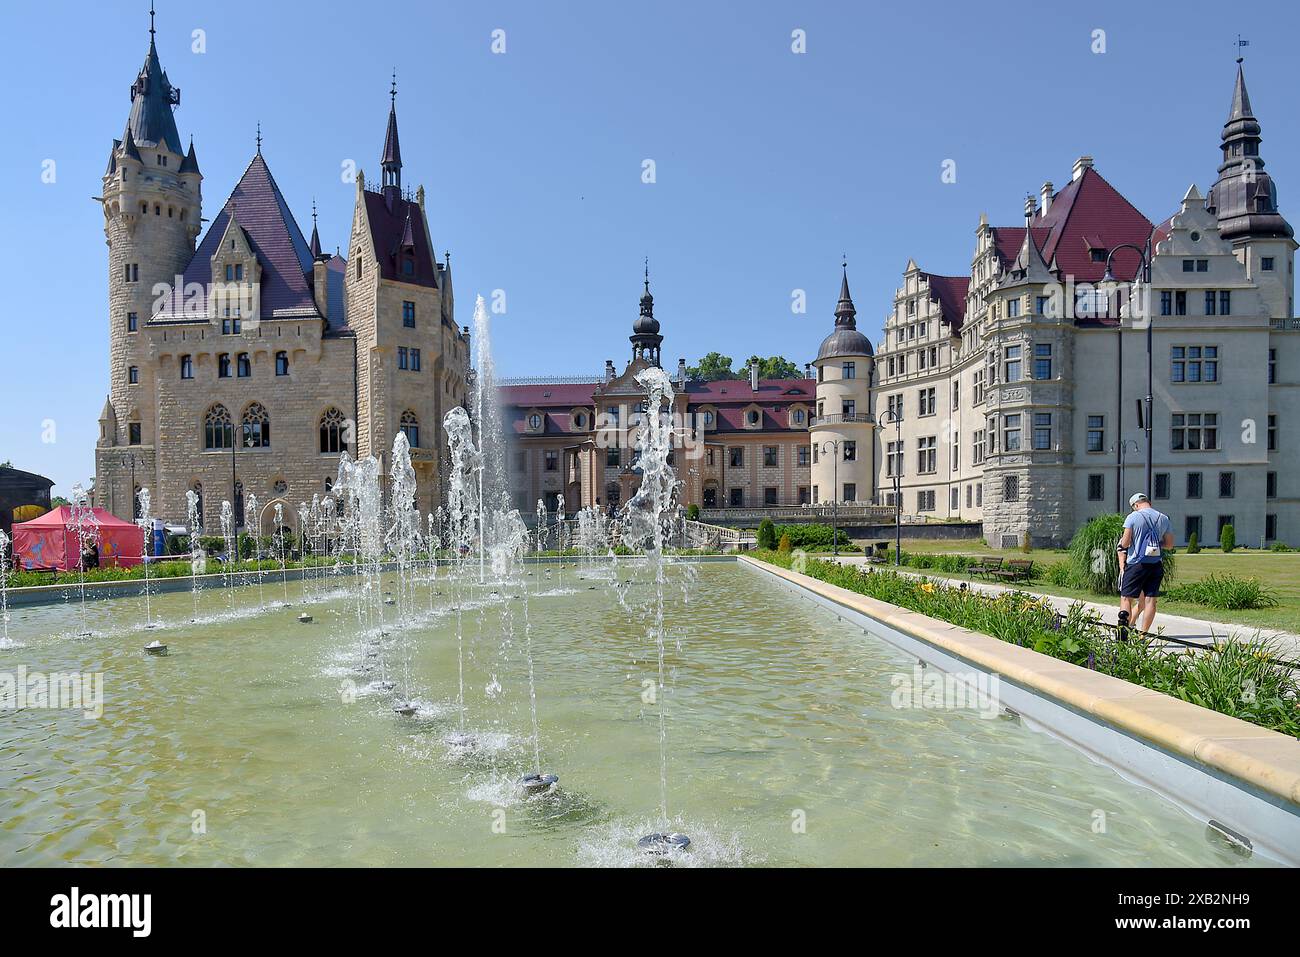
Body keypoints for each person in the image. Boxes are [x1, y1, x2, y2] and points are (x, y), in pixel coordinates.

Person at [1117, 492, 1173, 633]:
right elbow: (1169, 544)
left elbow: (1125, 542)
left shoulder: (1133, 517)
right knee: (1150, 601)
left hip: (1136, 564)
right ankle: (1143, 635)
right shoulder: (1163, 518)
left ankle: (1124, 633)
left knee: (1126, 598)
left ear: (1136, 505)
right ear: (1149, 502)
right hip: (1155, 564)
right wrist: (1154, 544)